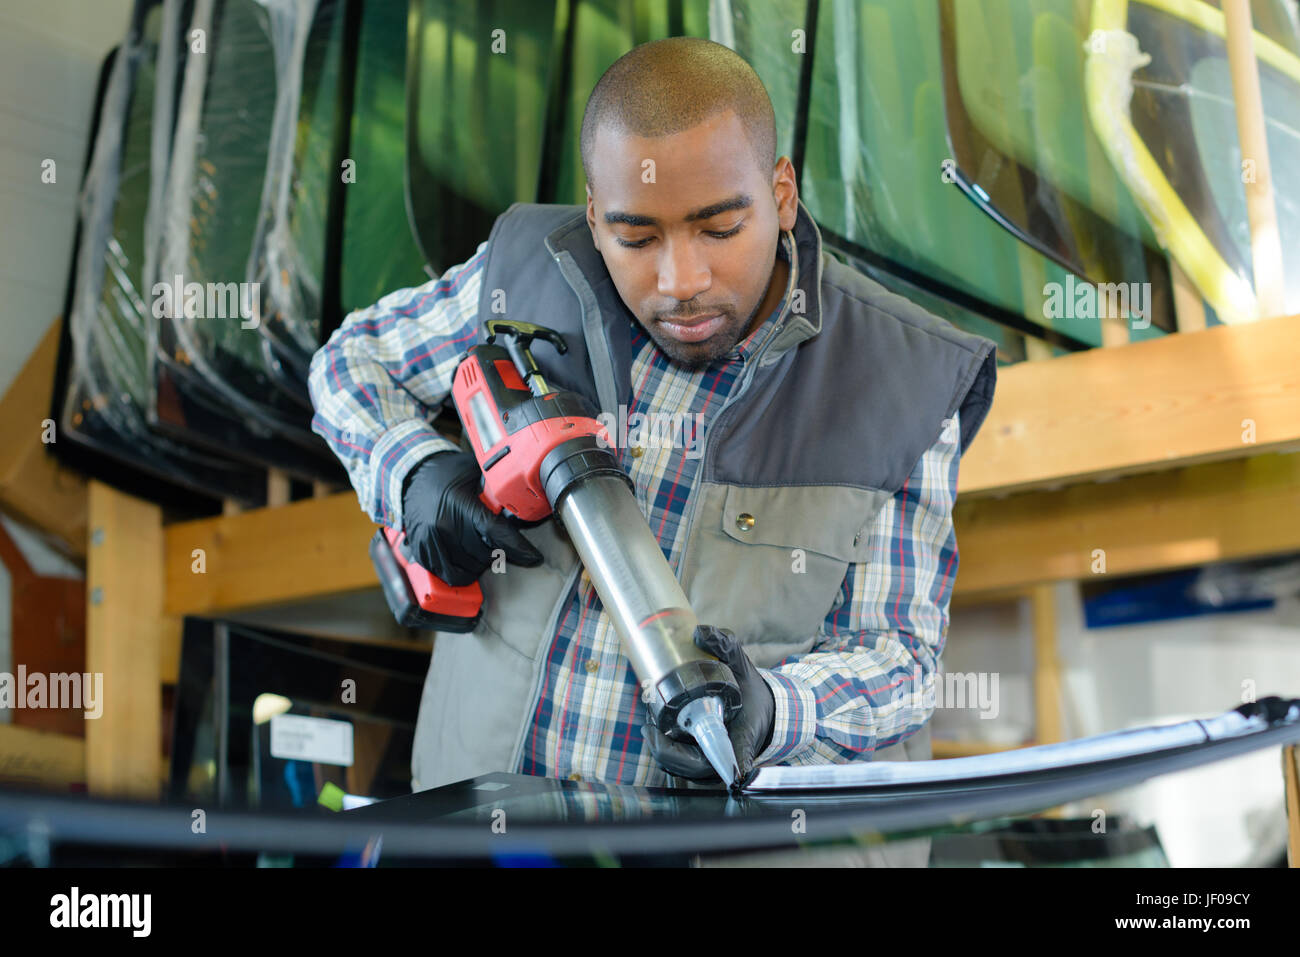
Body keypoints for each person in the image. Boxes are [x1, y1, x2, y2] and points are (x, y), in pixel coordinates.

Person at [309, 37, 997, 806]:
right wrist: (413, 471)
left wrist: (772, 710)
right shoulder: (525, 273)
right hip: (478, 833)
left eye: (721, 229)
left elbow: (900, 661)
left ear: (782, 194)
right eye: (637, 238)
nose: (682, 282)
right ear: (598, 216)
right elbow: (347, 365)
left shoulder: (904, 377)